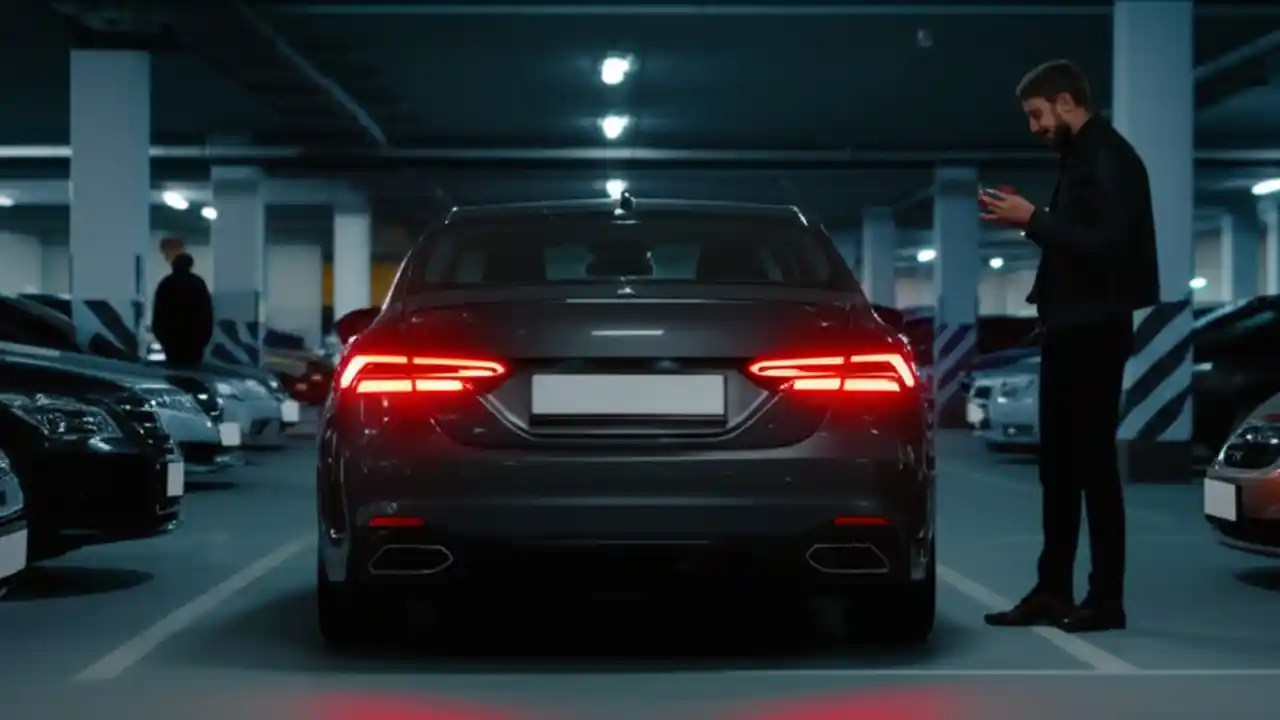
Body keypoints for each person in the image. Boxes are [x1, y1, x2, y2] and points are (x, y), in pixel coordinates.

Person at [977, 59, 1159, 633]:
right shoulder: (1082, 157)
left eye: (1036, 114)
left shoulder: (1107, 157)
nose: (1032, 127)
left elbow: (1105, 244)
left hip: (1095, 332)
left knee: (1094, 469)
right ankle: (1052, 591)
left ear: (1064, 102)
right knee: (1058, 469)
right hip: (1070, 328)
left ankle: (1105, 600)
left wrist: (1033, 218)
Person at [153, 236, 215, 366]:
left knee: (174, 370)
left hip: (172, 339)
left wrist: (162, 336)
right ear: (190, 265)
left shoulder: (166, 284)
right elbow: (206, 312)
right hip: (195, 339)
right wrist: (205, 337)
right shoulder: (198, 283)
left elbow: (158, 312)